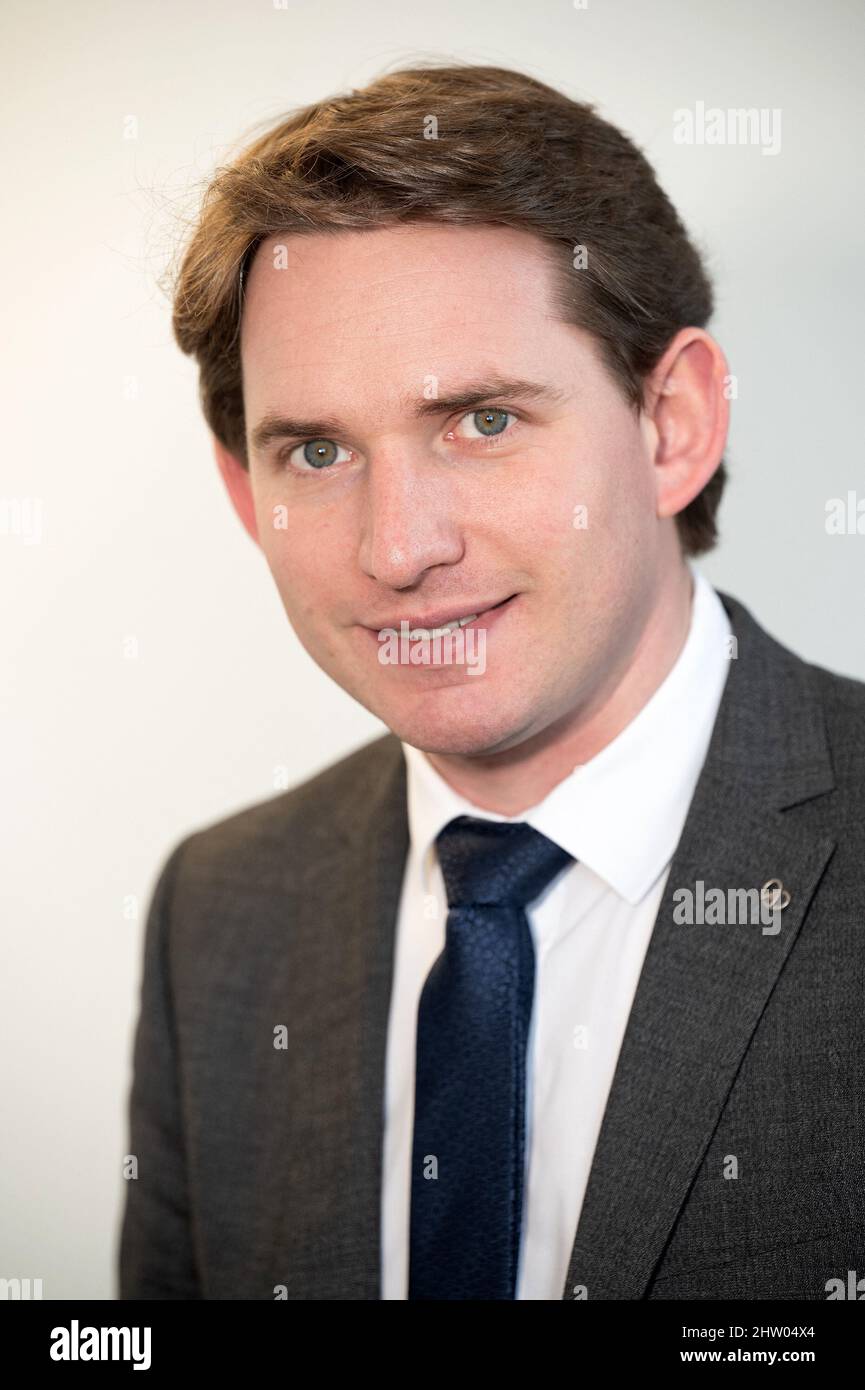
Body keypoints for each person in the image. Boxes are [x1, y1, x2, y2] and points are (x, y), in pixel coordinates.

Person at [118, 63, 865, 1301]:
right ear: (248, 495)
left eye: (481, 422)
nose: (399, 548)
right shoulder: (218, 912)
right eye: (315, 450)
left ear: (671, 422)